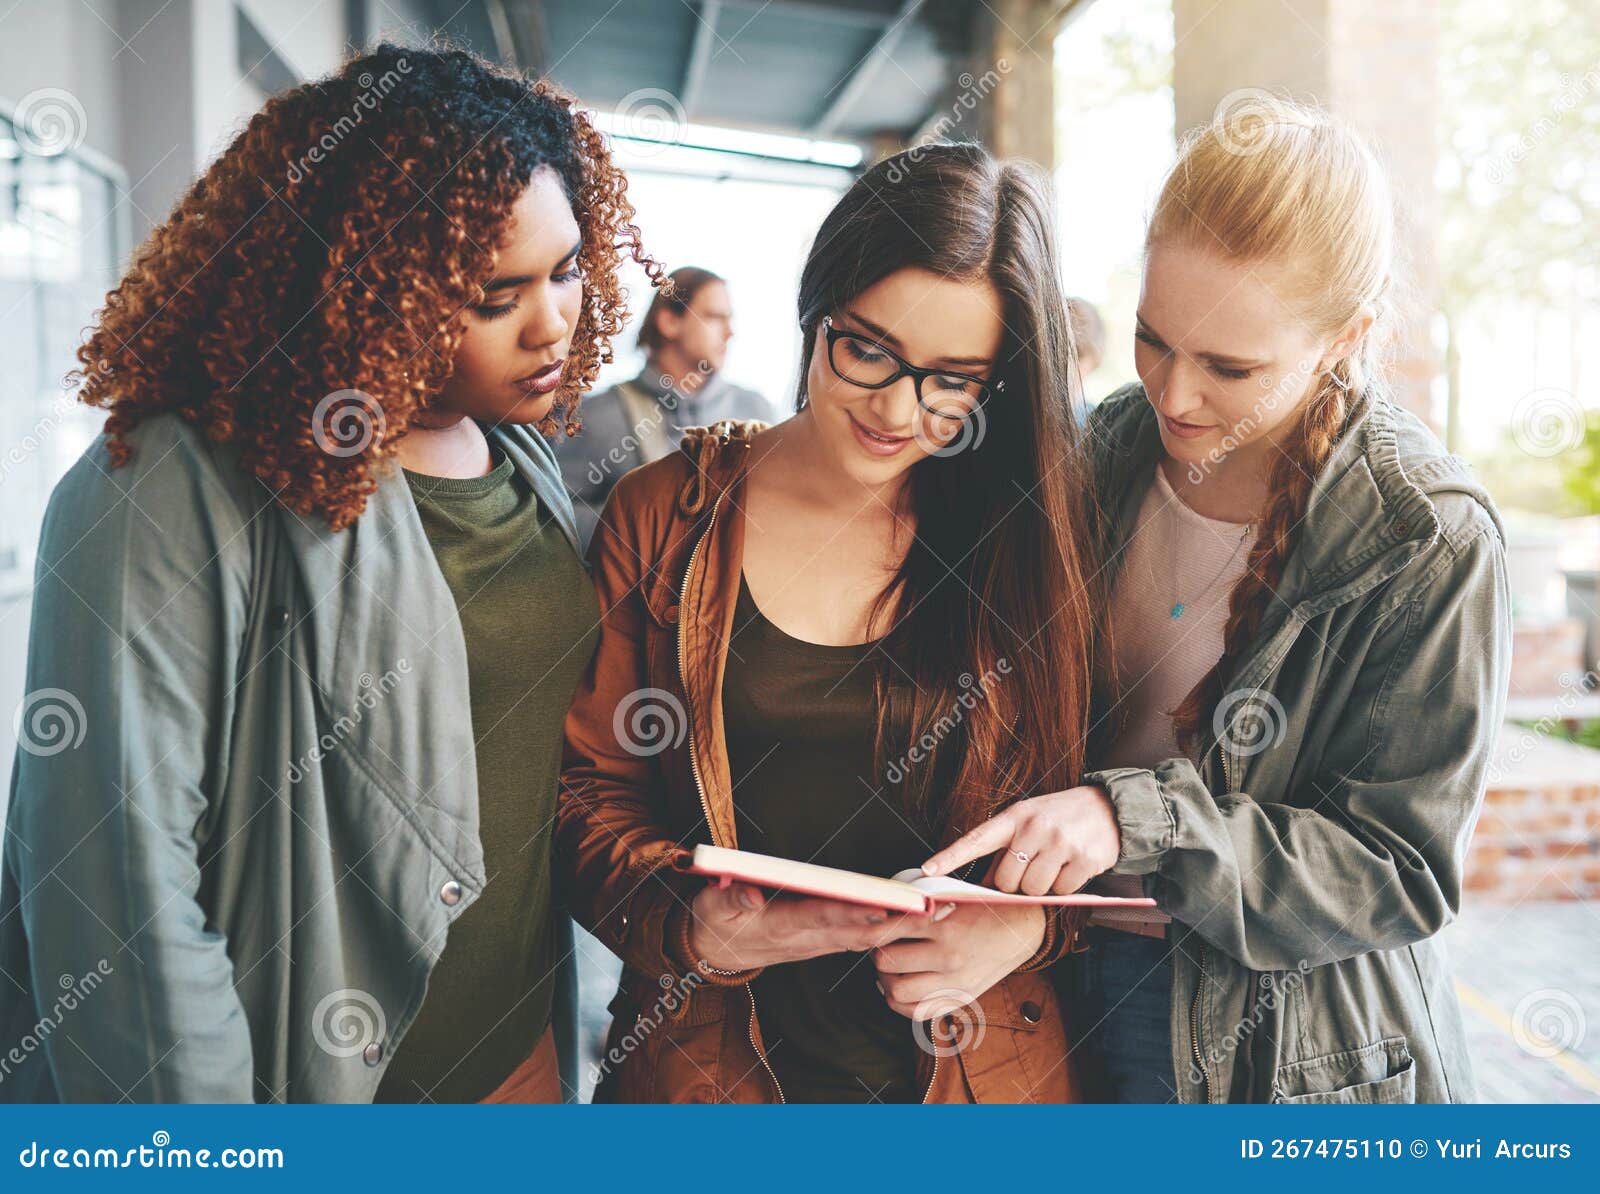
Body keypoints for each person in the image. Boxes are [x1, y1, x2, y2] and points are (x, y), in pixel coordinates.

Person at [0, 44, 657, 1104]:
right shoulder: (177, 484)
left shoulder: (517, 452)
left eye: (569, 268)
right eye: (496, 294)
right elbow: (120, 891)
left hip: (523, 1058)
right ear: (364, 284)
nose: (556, 321)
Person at [923, 97, 1511, 1103]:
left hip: (1279, 1048)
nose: (1174, 397)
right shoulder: (1105, 447)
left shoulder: (1428, 535)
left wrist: (1134, 824)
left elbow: (1397, 869)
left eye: (1230, 367)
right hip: (1050, 977)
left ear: (1345, 336)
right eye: (1153, 340)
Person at [558, 142, 1103, 1103]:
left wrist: (1031, 926)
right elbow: (583, 797)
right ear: (814, 314)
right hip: (708, 1070)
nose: (897, 410)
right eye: (868, 351)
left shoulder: (1023, 529)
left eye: (953, 380)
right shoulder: (665, 516)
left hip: (981, 1075)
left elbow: (1098, 804)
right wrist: (688, 921)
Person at [559, 266, 773, 547]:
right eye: (714, 317)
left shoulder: (756, 409)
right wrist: (639, 528)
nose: (730, 332)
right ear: (669, 321)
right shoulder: (599, 416)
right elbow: (554, 517)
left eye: (729, 319)